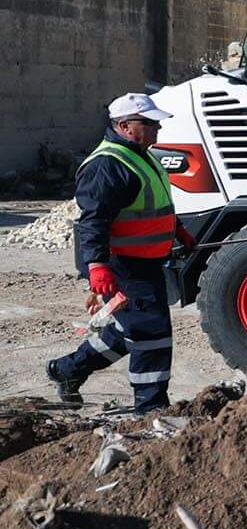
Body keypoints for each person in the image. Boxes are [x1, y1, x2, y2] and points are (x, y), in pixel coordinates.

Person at [45, 93, 189, 410]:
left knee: (130, 329)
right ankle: (150, 408)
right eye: (149, 123)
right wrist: (97, 265)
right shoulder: (107, 165)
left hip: (144, 262)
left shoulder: (139, 155)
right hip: (121, 265)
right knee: (151, 333)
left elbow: (149, 204)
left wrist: (177, 230)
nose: (158, 128)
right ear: (124, 125)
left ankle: (67, 369)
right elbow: (93, 222)